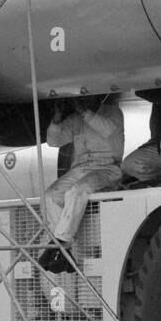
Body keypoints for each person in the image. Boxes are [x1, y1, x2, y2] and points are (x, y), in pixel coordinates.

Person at [38, 95, 125, 273]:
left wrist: (84, 112)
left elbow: (107, 130)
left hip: (107, 167)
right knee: (50, 196)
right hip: (81, 168)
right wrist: (56, 119)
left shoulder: (112, 112)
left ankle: (56, 246)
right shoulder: (76, 119)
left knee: (78, 190)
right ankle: (65, 251)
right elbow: (53, 142)